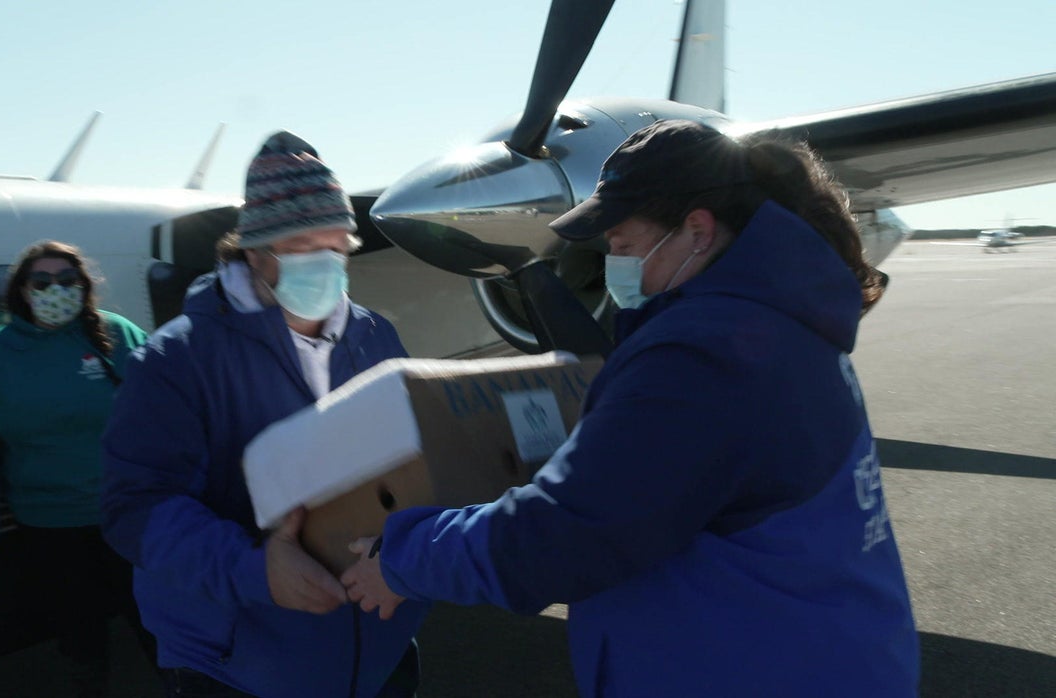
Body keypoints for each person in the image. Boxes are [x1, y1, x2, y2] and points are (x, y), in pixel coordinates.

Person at [341, 120, 920, 697]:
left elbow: (565, 537)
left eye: (622, 243)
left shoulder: (703, 357)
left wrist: (405, 557)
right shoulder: (774, 323)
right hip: (822, 655)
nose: (612, 261)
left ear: (697, 230)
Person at [100, 131, 427, 698]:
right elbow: (135, 508)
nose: (323, 266)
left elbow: (411, 461)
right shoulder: (176, 359)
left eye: (336, 247)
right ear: (253, 250)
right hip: (242, 667)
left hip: (378, 652)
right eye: (301, 248)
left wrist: (406, 550)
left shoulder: (376, 335)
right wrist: (255, 569)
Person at [0, 240, 151, 698]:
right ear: (22, 290)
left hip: (129, 511)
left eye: (67, 281)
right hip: (50, 522)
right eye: (41, 282)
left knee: (157, 618)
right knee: (78, 629)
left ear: (84, 287)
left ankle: (181, 682)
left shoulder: (116, 335)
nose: (54, 290)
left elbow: (167, 411)